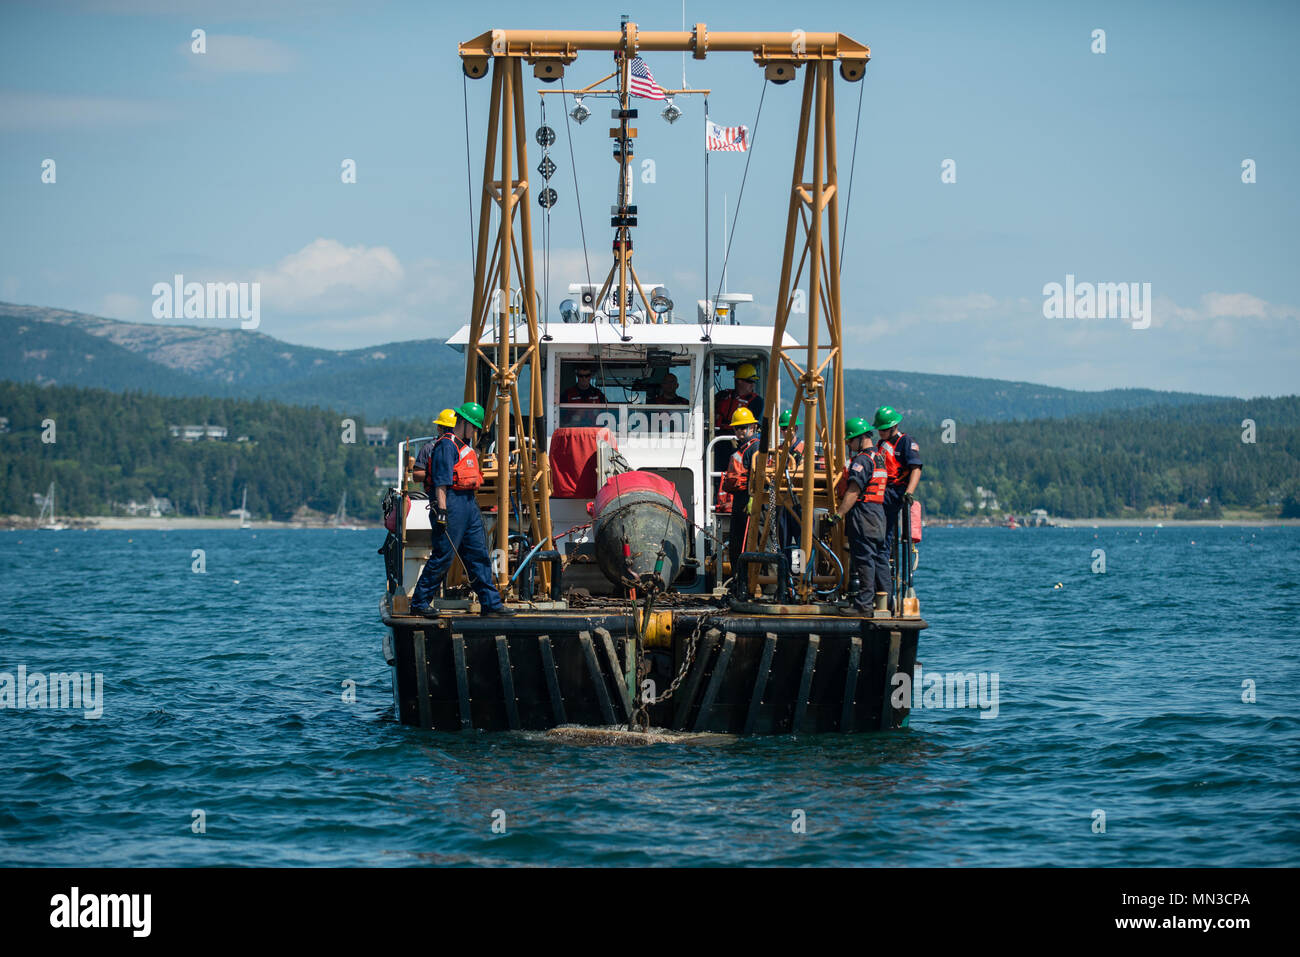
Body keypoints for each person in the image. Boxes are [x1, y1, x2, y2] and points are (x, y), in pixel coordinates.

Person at [409, 400, 515, 619]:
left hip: (468, 504)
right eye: (474, 427)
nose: (475, 431)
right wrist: (442, 511)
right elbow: (441, 481)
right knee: (443, 555)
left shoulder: (464, 445)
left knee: (478, 554)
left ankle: (490, 603)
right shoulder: (446, 445)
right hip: (451, 503)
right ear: (464, 422)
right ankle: (420, 602)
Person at [826, 417, 890, 614]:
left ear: (860, 439)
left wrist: (838, 515)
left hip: (863, 514)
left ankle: (863, 605)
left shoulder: (861, 460)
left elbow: (853, 491)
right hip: (879, 514)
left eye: (850, 441)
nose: (849, 445)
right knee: (880, 559)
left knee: (864, 560)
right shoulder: (879, 458)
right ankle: (887, 602)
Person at [872, 405, 922, 555]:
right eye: (879, 429)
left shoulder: (905, 441)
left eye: (883, 429)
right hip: (881, 490)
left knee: (884, 529)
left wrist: (909, 492)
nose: (880, 433)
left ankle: (883, 554)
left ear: (894, 426)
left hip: (895, 491)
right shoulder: (880, 444)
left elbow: (916, 468)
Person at [719, 407, 760, 578]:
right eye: (737, 428)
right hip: (739, 501)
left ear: (753, 427)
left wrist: (753, 499)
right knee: (736, 544)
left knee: (751, 544)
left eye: (744, 427)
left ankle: (755, 583)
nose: (740, 431)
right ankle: (739, 580)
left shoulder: (755, 448)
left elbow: (759, 475)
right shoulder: (742, 448)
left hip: (749, 502)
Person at [776, 410, 804, 565]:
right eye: (784, 428)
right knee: (783, 541)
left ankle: (801, 576)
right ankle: (785, 579)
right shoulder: (778, 451)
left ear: (796, 429)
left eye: (789, 428)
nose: (786, 431)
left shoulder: (806, 450)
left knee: (802, 542)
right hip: (782, 501)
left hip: (800, 501)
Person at [412, 408, 458, 487]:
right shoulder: (429, 448)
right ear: (439, 428)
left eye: (452, 429)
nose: (450, 433)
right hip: (434, 493)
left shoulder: (461, 448)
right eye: (447, 429)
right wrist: (434, 473)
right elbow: (416, 475)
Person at [714, 362, 763, 430]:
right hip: (717, 437)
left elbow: (756, 426)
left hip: (741, 438)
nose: (753, 385)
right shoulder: (722, 396)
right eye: (749, 381)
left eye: (754, 382)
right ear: (739, 381)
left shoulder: (757, 401)